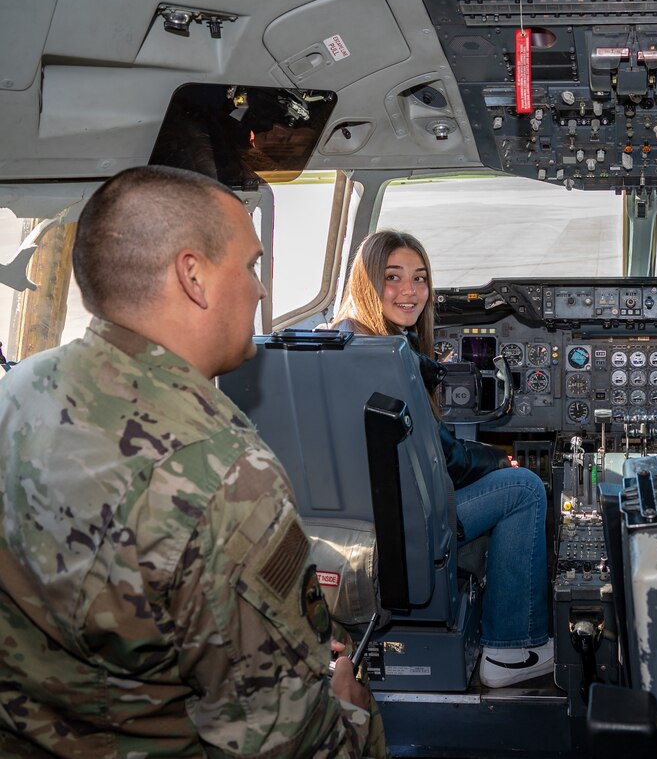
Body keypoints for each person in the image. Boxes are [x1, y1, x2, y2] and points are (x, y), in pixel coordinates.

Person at [0, 166, 384, 757]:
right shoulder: (223, 475)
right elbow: (285, 742)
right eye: (251, 265)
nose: (259, 289)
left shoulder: (16, 393)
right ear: (194, 276)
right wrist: (354, 718)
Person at [331, 230, 553, 688]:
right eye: (392, 278)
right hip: (406, 523)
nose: (410, 291)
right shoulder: (388, 357)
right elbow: (446, 461)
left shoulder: (336, 343)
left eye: (420, 278)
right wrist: (500, 460)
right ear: (366, 281)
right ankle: (512, 651)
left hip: (348, 521)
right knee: (524, 488)